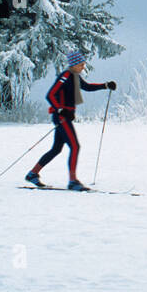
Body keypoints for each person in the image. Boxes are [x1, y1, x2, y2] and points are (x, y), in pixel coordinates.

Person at [25, 51, 117, 190]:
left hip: (65, 116)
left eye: (84, 64)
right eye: (81, 64)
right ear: (74, 65)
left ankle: (33, 174)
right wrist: (60, 109)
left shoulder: (75, 76)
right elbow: (50, 95)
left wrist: (105, 85)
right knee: (75, 146)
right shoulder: (66, 76)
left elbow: (87, 87)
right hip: (62, 117)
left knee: (56, 149)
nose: (83, 67)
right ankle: (73, 181)